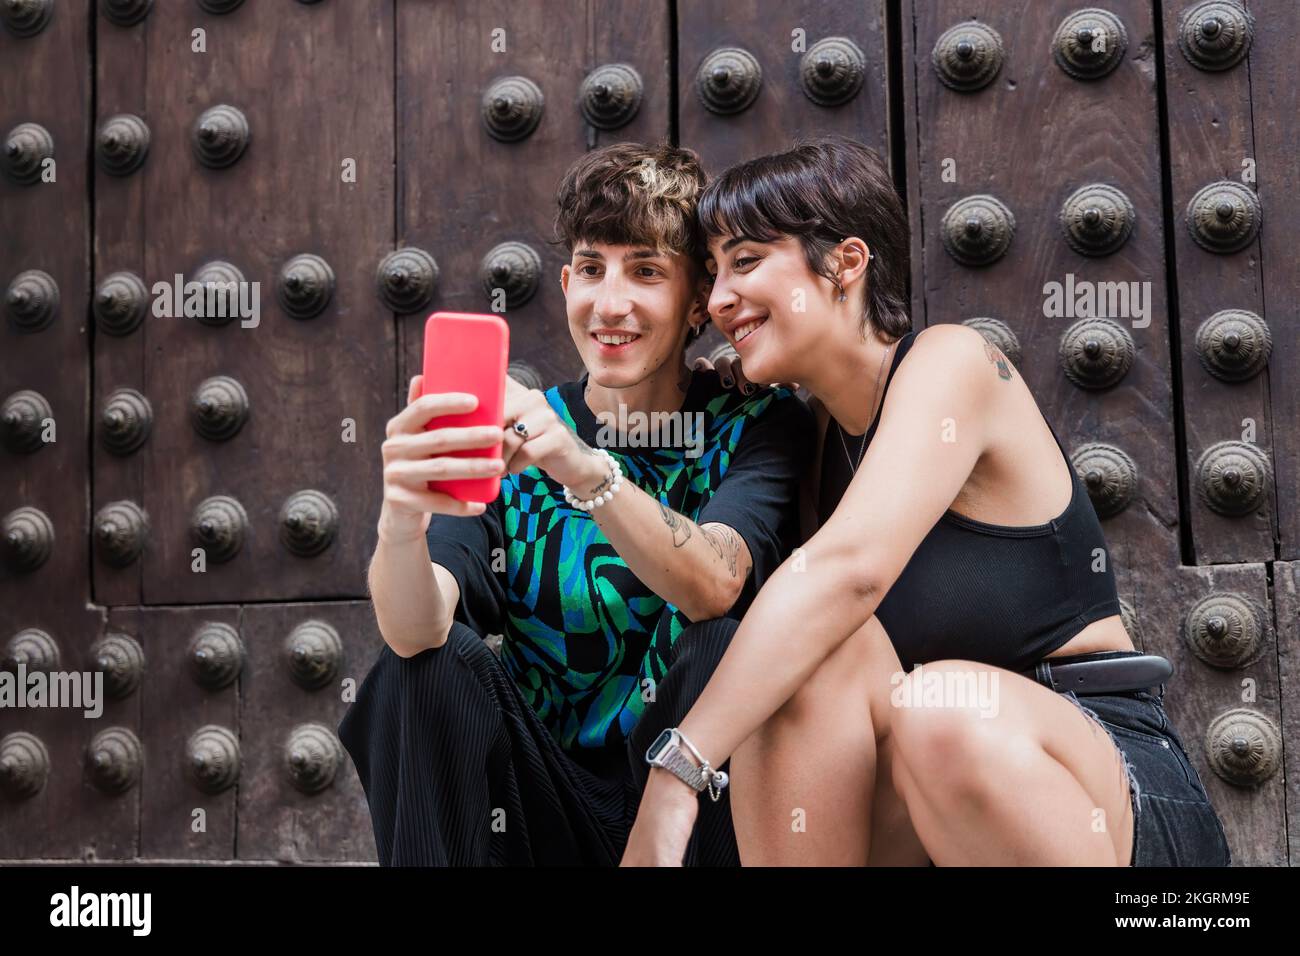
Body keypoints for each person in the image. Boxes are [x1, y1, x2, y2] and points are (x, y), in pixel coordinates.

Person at [622, 135, 1232, 867]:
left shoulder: (954, 363)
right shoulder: (809, 438)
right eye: (714, 272)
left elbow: (850, 572)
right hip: (922, 818)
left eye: (747, 262)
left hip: (1103, 793)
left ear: (846, 263)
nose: (719, 298)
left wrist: (680, 768)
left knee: (935, 707)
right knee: (806, 648)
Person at [337, 142, 813, 865]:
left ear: (696, 304)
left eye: (646, 272)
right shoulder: (513, 436)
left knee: (720, 644)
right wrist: (400, 519)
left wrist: (584, 469)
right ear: (563, 282)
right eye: (591, 269)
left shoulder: (755, 424)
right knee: (426, 669)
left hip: (688, 807)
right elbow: (415, 628)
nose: (609, 303)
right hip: (542, 812)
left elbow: (716, 583)